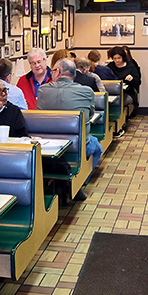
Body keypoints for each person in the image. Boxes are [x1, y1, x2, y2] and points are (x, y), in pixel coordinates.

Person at [36, 57, 103, 198]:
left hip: (47, 145)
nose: (51, 74)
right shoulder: (87, 91)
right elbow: (90, 114)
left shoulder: (43, 90)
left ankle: (65, 184)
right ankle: (79, 184)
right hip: (76, 145)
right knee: (97, 147)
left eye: (52, 71)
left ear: (58, 72)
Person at [107, 45, 142, 118]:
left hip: (127, 93)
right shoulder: (110, 66)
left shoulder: (130, 66)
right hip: (113, 93)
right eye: (114, 58)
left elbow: (138, 82)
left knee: (118, 103)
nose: (117, 61)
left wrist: (132, 79)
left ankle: (119, 120)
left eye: (119, 58)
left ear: (123, 57)